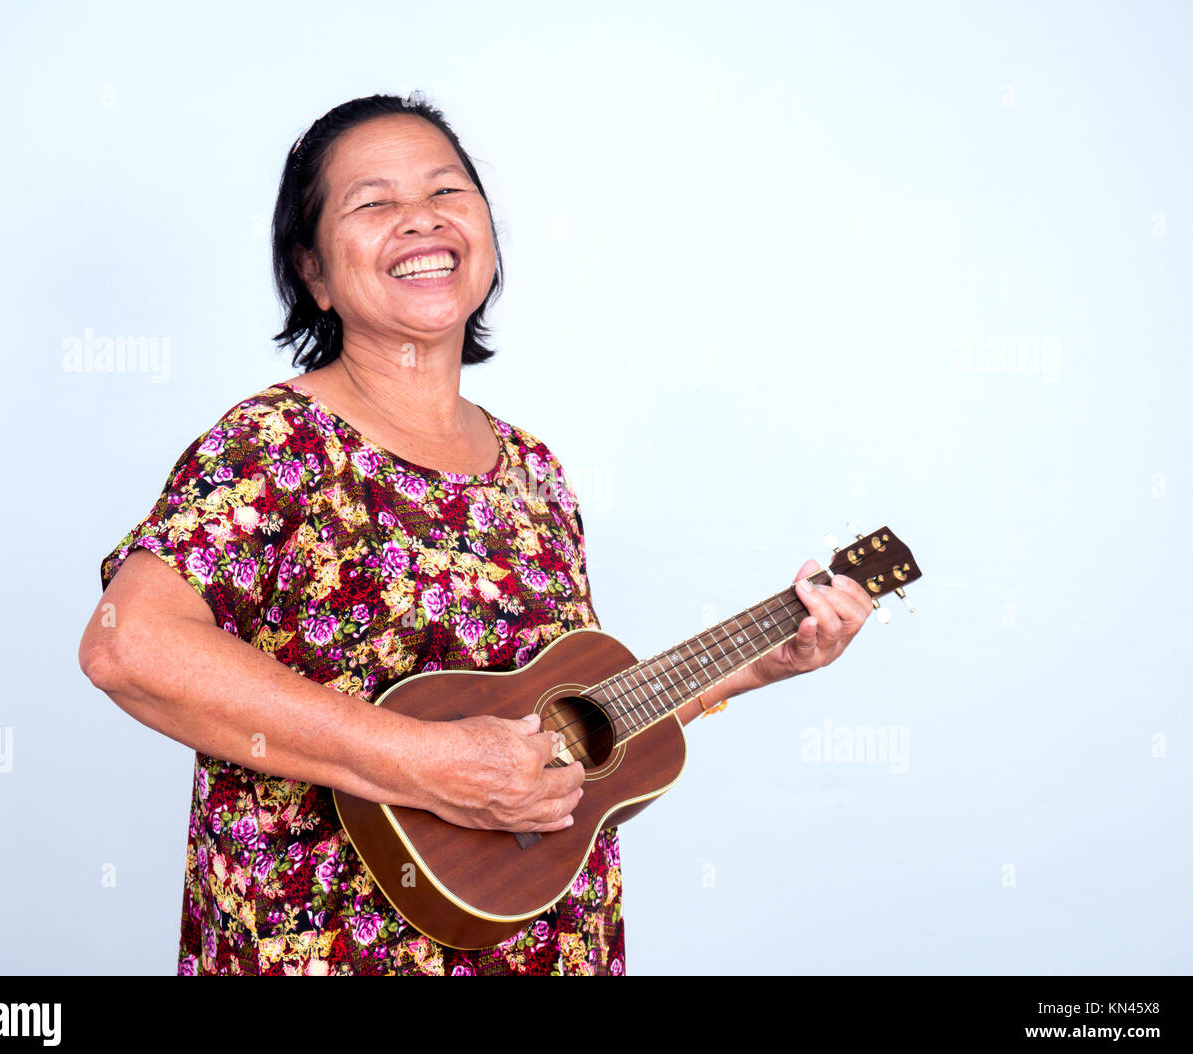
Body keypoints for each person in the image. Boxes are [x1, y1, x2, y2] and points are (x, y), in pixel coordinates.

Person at [77, 92, 874, 976]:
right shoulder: (274, 445)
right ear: (314, 273)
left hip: (550, 948)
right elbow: (128, 646)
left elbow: (572, 733)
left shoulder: (534, 470)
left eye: (446, 192)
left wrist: (760, 663)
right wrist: (423, 762)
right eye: (373, 204)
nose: (421, 220)